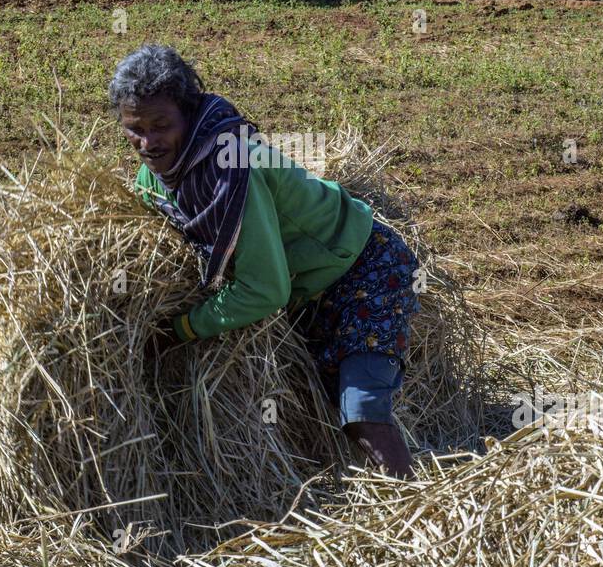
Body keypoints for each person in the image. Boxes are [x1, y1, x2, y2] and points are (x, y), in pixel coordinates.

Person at [110, 44, 418, 478]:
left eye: (161, 125)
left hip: (363, 266)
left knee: (360, 408)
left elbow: (266, 291)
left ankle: (412, 507)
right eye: (134, 129)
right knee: (313, 398)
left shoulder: (232, 169)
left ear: (189, 114)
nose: (148, 142)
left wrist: (181, 329)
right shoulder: (159, 176)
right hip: (308, 285)